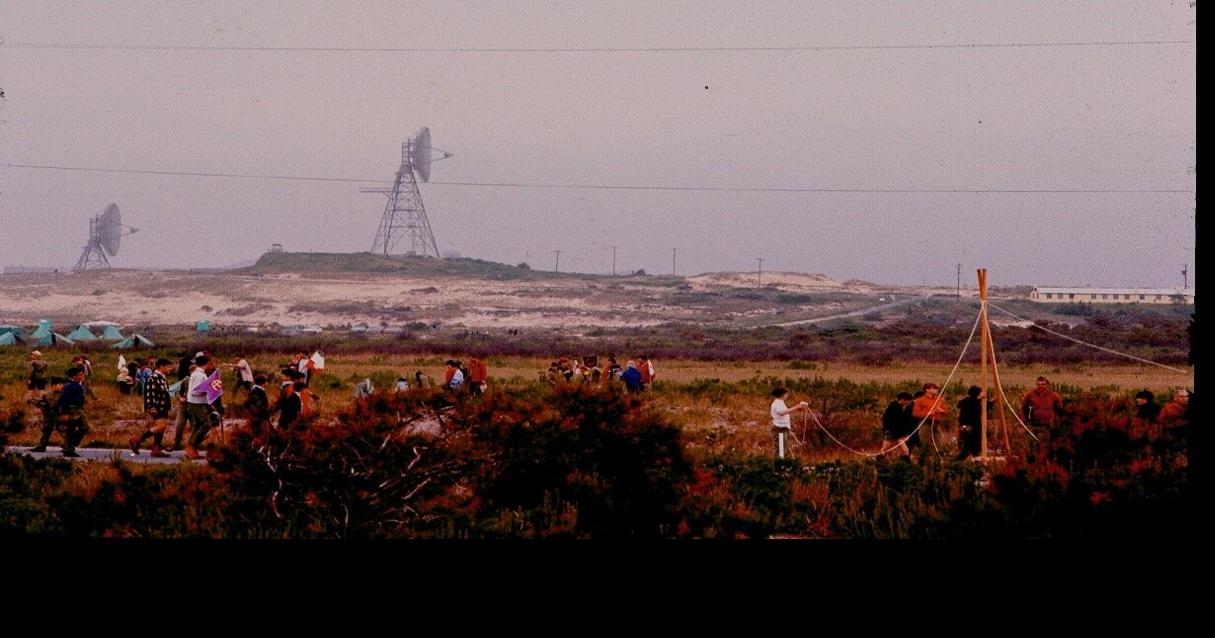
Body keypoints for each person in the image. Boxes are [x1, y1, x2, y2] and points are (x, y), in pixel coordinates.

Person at [130, 358, 174, 457]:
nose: (170, 369)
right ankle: (137, 440)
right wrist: (151, 407)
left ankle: (156, 449)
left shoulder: (162, 377)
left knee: (162, 428)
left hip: (163, 406)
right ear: (161, 366)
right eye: (168, 367)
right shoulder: (153, 378)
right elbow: (149, 393)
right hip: (157, 406)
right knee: (161, 426)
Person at [183, 355, 216, 460]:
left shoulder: (198, 374)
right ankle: (191, 446)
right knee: (206, 424)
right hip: (197, 403)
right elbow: (196, 391)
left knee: (198, 426)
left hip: (197, 402)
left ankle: (192, 448)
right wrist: (209, 390)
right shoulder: (199, 375)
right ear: (207, 364)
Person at [28, 376, 66, 452]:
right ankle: (41, 446)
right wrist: (33, 401)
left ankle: (69, 446)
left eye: (62, 385)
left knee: (63, 430)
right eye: (60, 385)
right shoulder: (47, 394)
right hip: (49, 415)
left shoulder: (64, 395)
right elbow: (42, 402)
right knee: (46, 431)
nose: (62, 386)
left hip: (59, 415)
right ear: (53, 386)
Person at [57, 367, 89, 457]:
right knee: (71, 429)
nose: (82, 376)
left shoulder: (79, 385)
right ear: (74, 376)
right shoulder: (68, 386)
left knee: (85, 427)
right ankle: (69, 449)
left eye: (82, 374)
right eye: (80, 374)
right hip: (71, 410)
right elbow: (64, 400)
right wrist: (65, 412)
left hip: (79, 410)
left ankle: (69, 445)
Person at [770, 388, 809, 460]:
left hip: (783, 428)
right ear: (783, 395)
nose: (787, 395)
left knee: (785, 449)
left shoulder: (780, 403)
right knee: (780, 449)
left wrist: (797, 408)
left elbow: (784, 412)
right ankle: (777, 464)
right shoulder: (777, 403)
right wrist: (796, 407)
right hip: (779, 429)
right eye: (786, 393)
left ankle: (784, 464)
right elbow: (781, 412)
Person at [955, 386, 990, 460]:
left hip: (974, 426)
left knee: (973, 445)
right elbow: (972, 404)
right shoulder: (968, 401)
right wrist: (979, 398)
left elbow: (987, 405)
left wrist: (995, 399)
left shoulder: (976, 401)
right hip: (968, 425)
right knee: (968, 444)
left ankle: (971, 459)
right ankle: (959, 459)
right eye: (980, 392)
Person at [880, 391, 916, 461]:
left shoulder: (899, 407)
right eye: (908, 401)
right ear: (902, 400)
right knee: (885, 450)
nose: (908, 403)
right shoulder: (894, 408)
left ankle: (906, 465)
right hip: (892, 433)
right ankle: (877, 462)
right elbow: (892, 422)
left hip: (896, 434)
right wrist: (901, 434)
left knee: (905, 450)